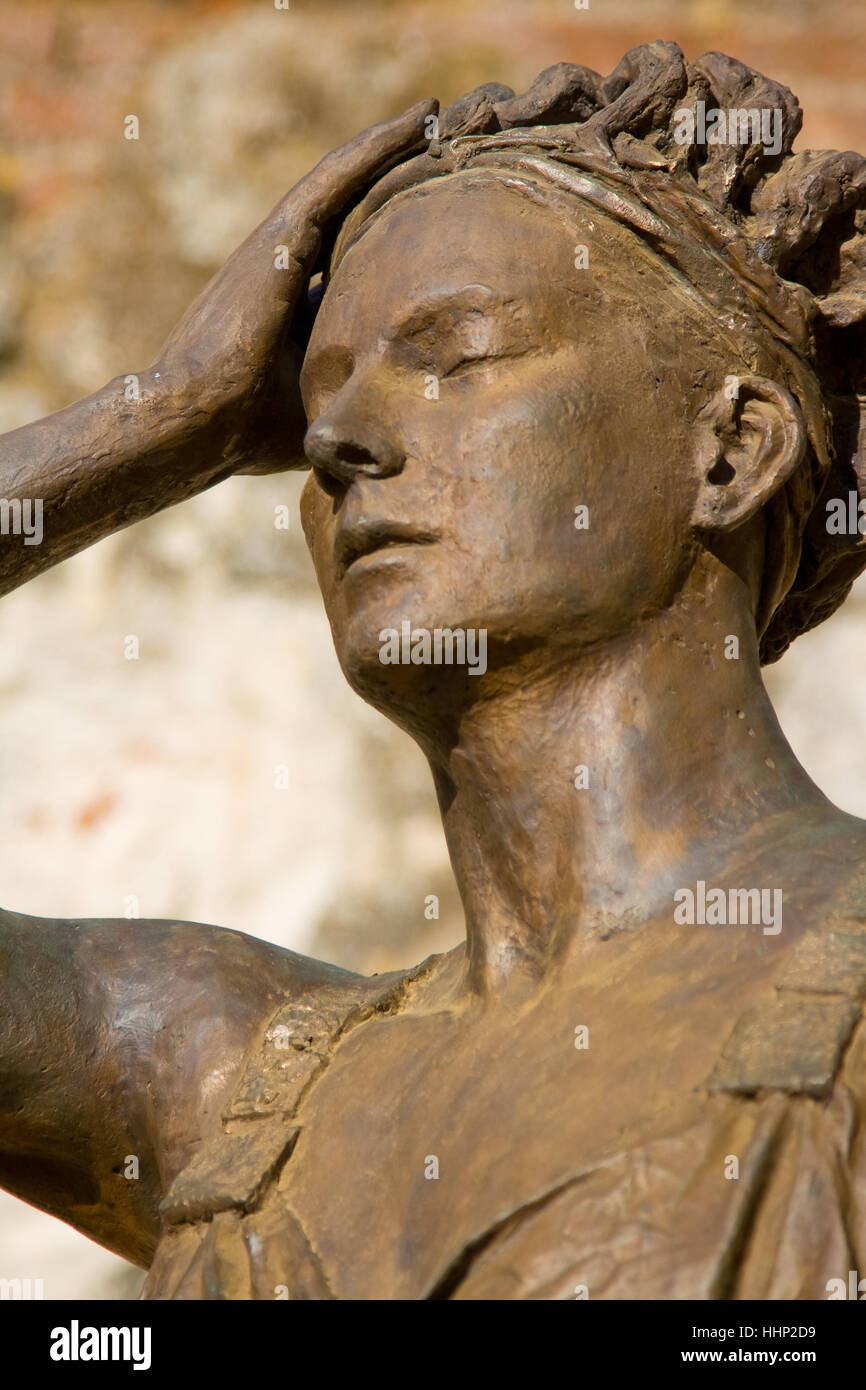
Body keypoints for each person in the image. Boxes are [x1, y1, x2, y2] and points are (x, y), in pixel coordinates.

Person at [3, 42, 866, 1300]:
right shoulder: (228, 1077)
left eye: (454, 357)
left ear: (730, 451)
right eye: (309, 403)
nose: (339, 441)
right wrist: (154, 418)